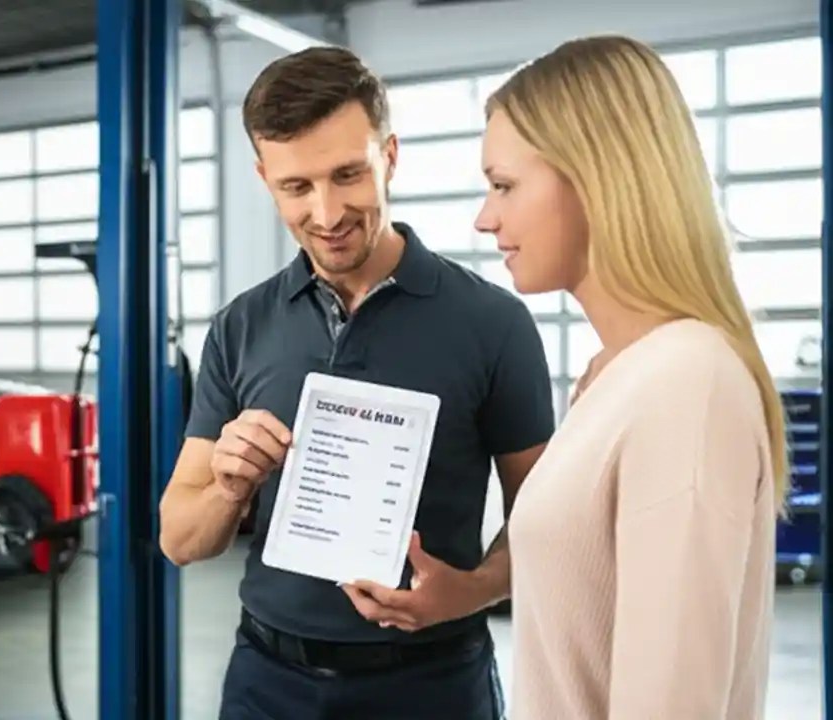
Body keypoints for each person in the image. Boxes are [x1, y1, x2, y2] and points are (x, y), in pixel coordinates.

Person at [158, 46, 553, 719]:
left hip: (432, 684)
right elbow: (180, 539)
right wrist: (228, 489)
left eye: (348, 174)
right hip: (267, 682)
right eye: (296, 186)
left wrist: (474, 589)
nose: (328, 211)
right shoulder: (240, 327)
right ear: (264, 177)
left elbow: (549, 527)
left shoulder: (494, 324)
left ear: (389, 156)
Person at [476, 34, 786, 719]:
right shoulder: (614, 374)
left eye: (503, 185)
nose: (485, 217)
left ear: (595, 177)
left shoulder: (686, 384)